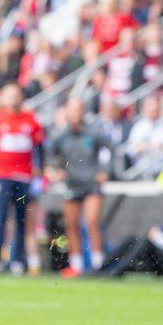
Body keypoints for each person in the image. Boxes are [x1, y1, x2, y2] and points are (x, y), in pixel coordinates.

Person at [49, 97, 111, 277]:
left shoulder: (94, 132)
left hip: (92, 183)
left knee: (92, 222)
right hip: (72, 184)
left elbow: (111, 149)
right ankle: (76, 265)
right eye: (72, 110)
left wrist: (105, 171)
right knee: (72, 225)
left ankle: (99, 264)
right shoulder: (61, 135)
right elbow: (51, 156)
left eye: (78, 109)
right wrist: (56, 170)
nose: (75, 114)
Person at [0, 83, 45, 275]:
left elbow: (39, 147)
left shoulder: (32, 120)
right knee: (1, 217)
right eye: (8, 94)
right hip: (3, 176)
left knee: (21, 218)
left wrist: (39, 170)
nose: (12, 98)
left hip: (23, 177)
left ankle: (17, 260)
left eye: (15, 94)